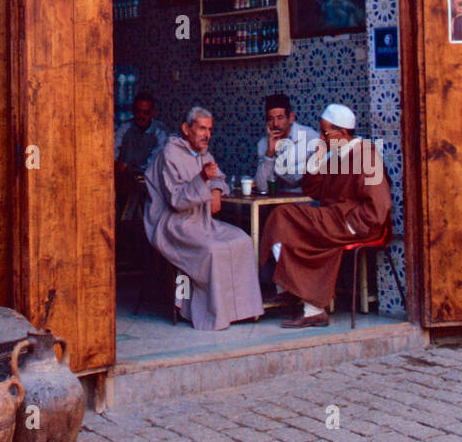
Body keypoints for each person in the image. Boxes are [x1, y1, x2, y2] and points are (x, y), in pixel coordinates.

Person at [259, 103, 391, 328]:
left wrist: (349, 227)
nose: (321, 136)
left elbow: (379, 207)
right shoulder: (334, 156)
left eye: (325, 132)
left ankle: (304, 300)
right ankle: (301, 297)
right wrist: (318, 156)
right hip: (332, 218)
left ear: (341, 132)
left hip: (358, 224)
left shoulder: (367, 156)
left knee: (285, 217)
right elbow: (312, 189)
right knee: (282, 222)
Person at [144, 105, 264, 330]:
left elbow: (218, 177)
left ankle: (240, 311)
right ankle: (212, 315)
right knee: (213, 250)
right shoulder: (169, 153)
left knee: (243, 241)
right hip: (173, 224)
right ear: (186, 129)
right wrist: (201, 178)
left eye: (209, 129)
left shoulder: (204, 153)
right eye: (201, 128)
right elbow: (176, 200)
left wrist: (217, 190)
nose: (207, 134)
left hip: (202, 220)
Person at [254, 93, 320, 192]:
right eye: (270, 119)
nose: (275, 124)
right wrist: (270, 153)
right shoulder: (263, 144)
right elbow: (262, 187)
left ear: (291, 118)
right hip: (283, 198)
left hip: (309, 198)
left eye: (280, 118)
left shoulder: (310, 136)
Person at [115, 92, 168, 191]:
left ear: (153, 113)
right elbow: (113, 149)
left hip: (151, 182)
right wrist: (117, 163)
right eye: (138, 111)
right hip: (126, 180)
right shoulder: (125, 127)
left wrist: (131, 169)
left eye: (146, 112)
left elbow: (155, 160)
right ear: (133, 111)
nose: (141, 116)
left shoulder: (160, 131)